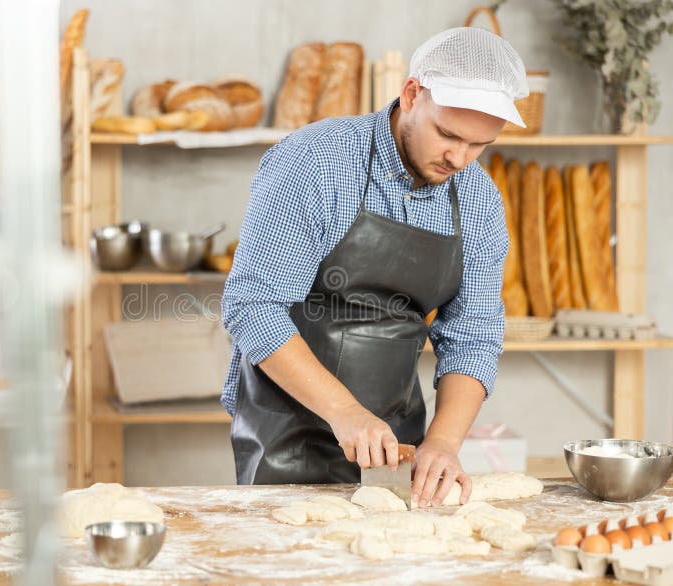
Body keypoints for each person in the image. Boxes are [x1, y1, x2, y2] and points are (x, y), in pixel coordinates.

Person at [221, 27, 528, 508]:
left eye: (478, 145)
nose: (458, 158)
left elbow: (473, 336)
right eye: (447, 135)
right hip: (287, 431)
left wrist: (443, 442)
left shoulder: (478, 199)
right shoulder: (315, 161)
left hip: (397, 440)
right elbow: (252, 306)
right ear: (411, 94)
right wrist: (345, 411)